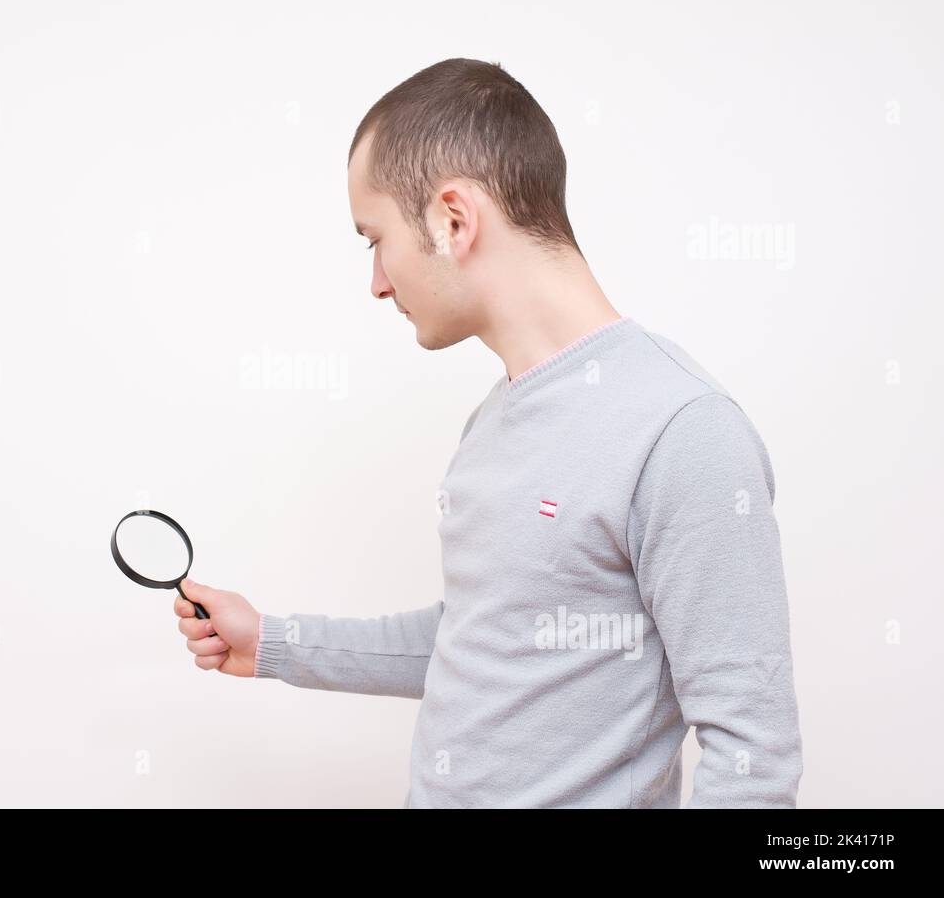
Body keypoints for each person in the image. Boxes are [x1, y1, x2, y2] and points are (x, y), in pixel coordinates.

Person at [172, 58, 803, 808]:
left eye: (374, 238)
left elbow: (752, 761)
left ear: (453, 219)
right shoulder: (493, 416)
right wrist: (273, 642)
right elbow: (481, 639)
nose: (375, 279)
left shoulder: (685, 430)